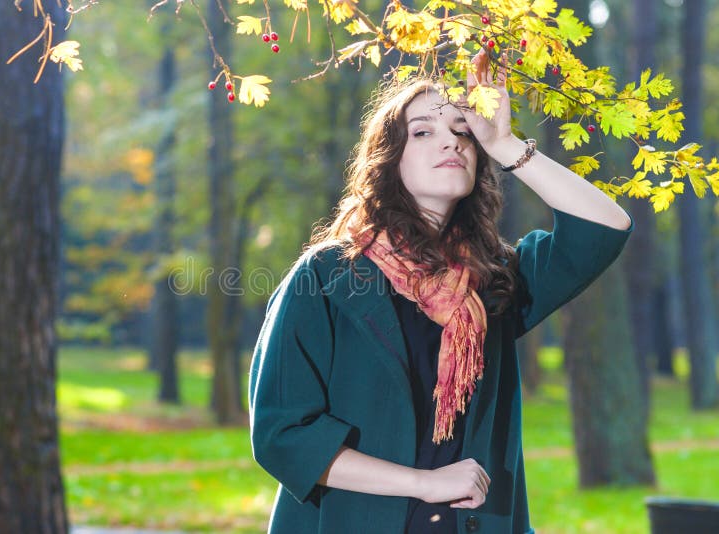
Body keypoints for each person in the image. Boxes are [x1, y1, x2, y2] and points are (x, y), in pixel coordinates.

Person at [248, 49, 633, 534]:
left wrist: (508, 142)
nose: (450, 142)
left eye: (462, 131)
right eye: (424, 131)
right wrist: (422, 483)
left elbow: (605, 228)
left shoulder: (495, 278)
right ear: (389, 159)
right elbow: (283, 437)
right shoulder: (324, 276)